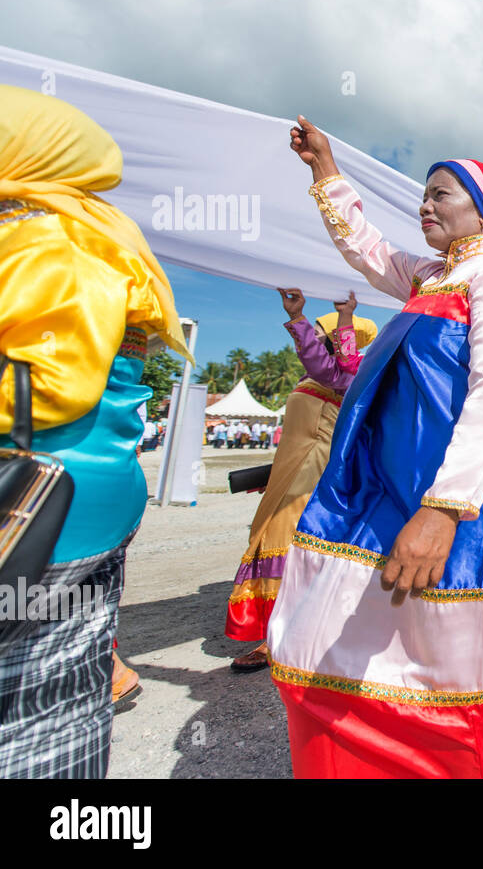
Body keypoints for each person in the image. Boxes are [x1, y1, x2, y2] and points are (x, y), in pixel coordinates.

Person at [267, 117, 483, 778]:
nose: (426, 204)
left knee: (440, 673)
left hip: (465, 503)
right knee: (338, 647)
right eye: (424, 193)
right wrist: (324, 170)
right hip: (388, 490)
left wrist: (445, 508)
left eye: (442, 193)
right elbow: (366, 249)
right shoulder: (428, 279)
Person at [0, 85, 189, 777]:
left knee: (37, 711)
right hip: (69, 511)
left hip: (35, 510)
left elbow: (44, 389)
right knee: (52, 703)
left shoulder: (50, 241)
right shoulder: (87, 234)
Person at [225, 287, 376, 671]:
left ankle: (279, 638)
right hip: (287, 477)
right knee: (270, 543)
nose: (321, 344)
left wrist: (324, 320)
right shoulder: (315, 381)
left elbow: (333, 367)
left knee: (292, 548)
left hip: (314, 480)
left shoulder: (348, 380)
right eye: (322, 338)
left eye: (329, 339)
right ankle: (280, 632)